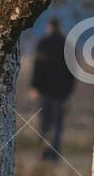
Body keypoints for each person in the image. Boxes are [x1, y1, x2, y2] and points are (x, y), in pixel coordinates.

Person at [29, 17, 76, 159]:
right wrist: (69, 92)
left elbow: (37, 67)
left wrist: (34, 86)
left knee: (44, 122)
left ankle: (42, 152)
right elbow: (72, 72)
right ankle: (54, 153)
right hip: (61, 92)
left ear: (49, 27)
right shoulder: (67, 45)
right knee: (57, 123)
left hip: (45, 90)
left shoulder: (43, 43)